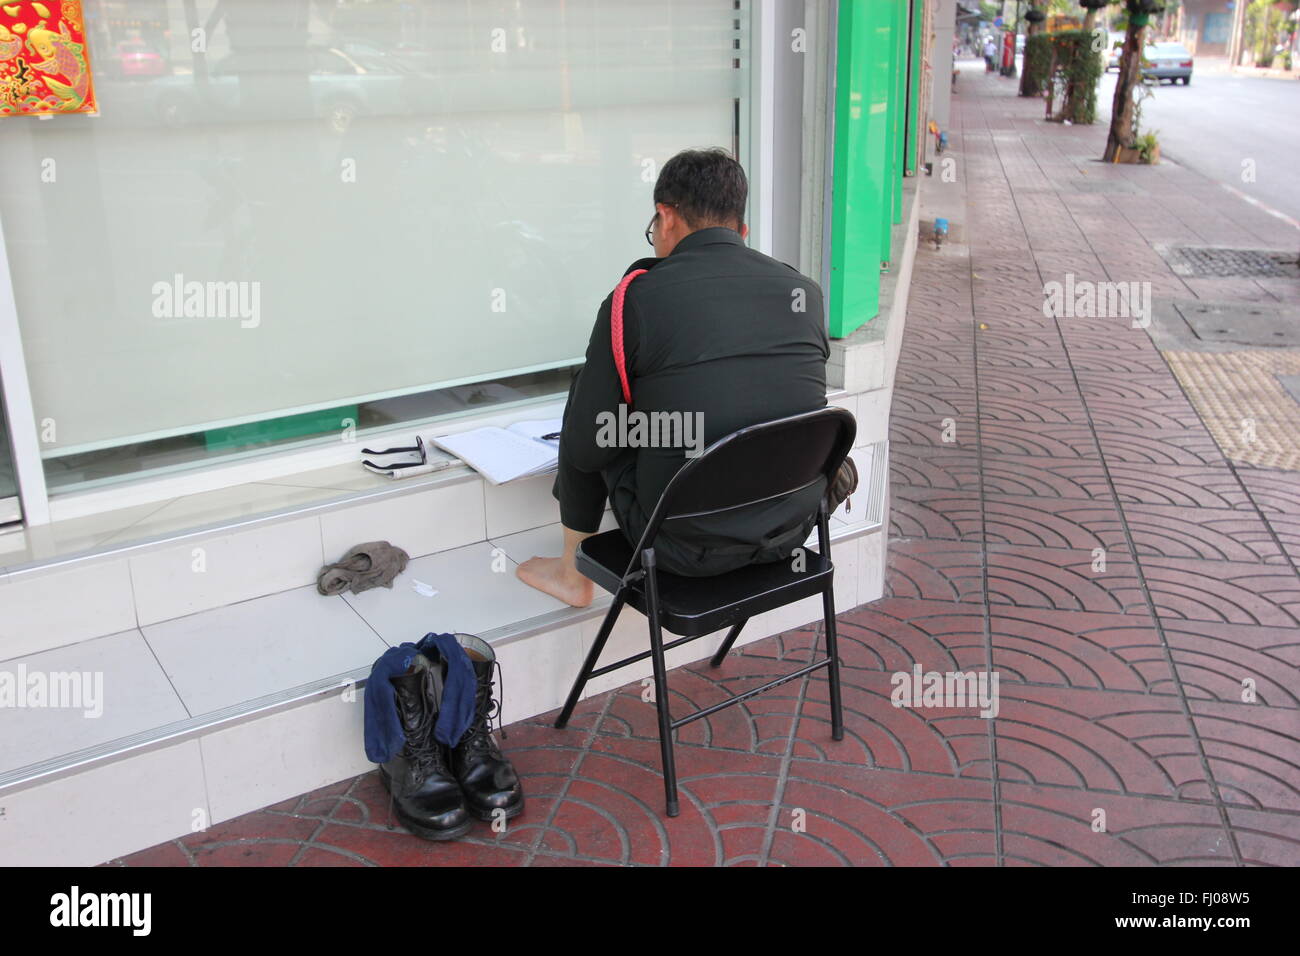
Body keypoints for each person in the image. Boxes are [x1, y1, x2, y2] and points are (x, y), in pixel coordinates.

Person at [516, 148, 830, 607]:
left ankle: (571, 573)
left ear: (666, 217)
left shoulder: (636, 300)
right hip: (788, 530)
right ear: (741, 230)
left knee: (592, 401)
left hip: (680, 547)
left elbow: (588, 446)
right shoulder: (806, 292)